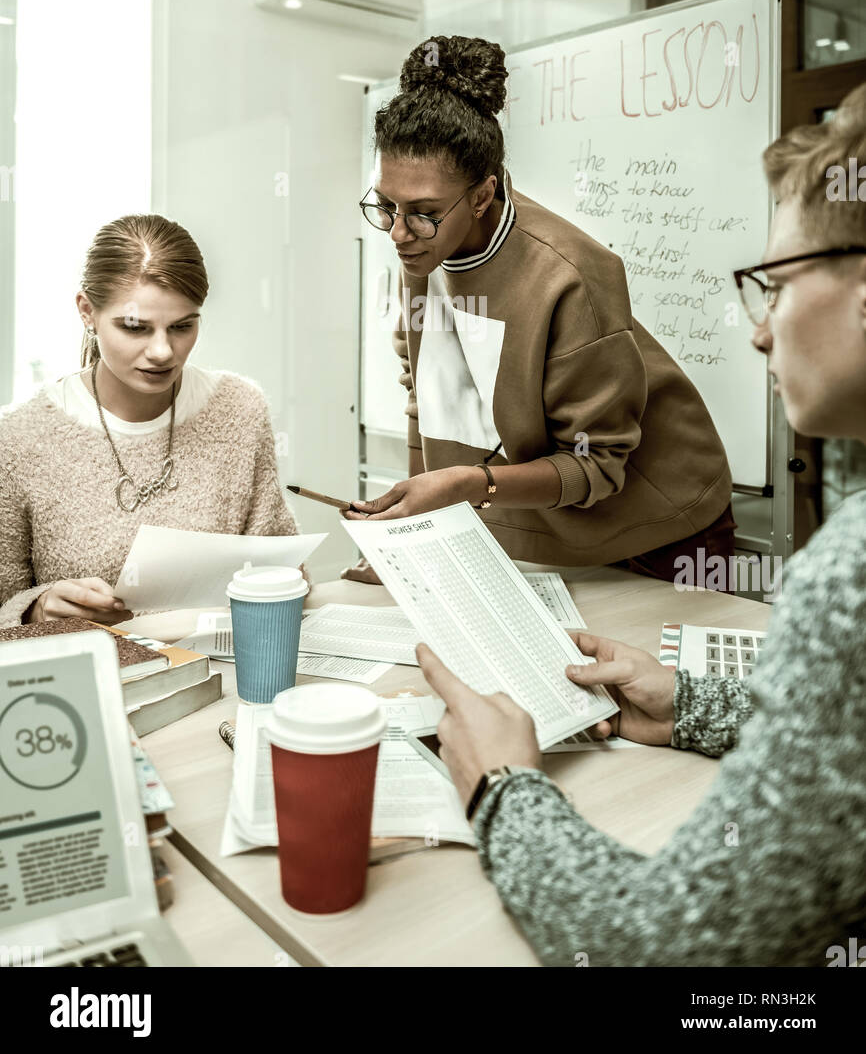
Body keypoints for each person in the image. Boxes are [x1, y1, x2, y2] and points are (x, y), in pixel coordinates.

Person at [415, 84, 866, 966]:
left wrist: (503, 786)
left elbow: (670, 944)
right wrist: (694, 703)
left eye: (775, 284)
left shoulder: (849, 570)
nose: (760, 334)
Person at [345, 34, 734, 583]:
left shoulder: (570, 274)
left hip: (657, 524)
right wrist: (406, 531)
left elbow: (596, 464)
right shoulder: (422, 250)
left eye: (424, 211)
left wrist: (464, 485)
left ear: (482, 196)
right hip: (524, 512)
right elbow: (424, 395)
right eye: (386, 206)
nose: (399, 232)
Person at [0, 214, 301, 628]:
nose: (163, 351)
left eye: (182, 326)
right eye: (135, 328)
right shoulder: (20, 436)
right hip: (89, 680)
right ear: (87, 311)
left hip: (225, 674)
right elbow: (6, 604)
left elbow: (281, 569)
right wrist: (35, 609)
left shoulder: (239, 409)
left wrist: (287, 579)